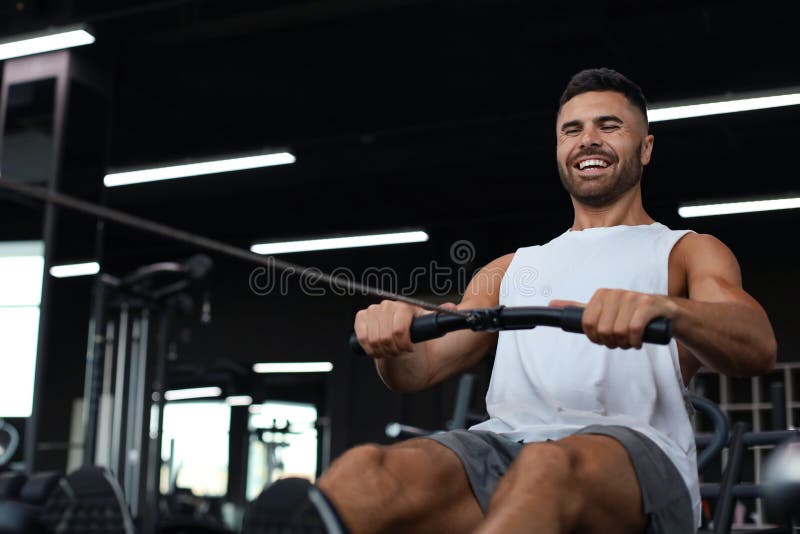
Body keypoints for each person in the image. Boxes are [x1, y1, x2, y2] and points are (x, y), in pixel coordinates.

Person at [244, 68, 777, 534]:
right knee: (367, 472)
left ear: (646, 147)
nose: (588, 139)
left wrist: (668, 309)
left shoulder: (685, 251)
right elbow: (419, 370)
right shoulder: (511, 268)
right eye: (573, 130)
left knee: (546, 471)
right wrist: (392, 341)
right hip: (503, 446)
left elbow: (756, 346)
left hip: (637, 455)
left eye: (609, 126)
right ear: (559, 151)